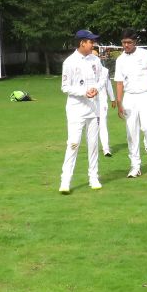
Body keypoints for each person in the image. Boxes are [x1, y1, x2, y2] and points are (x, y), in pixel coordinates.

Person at [59, 29, 103, 193]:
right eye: (90, 41)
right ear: (82, 43)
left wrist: (96, 89)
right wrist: (83, 92)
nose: (93, 44)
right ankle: (66, 181)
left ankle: (94, 177)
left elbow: (101, 79)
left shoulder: (95, 60)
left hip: (93, 108)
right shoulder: (69, 62)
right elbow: (65, 87)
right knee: (73, 143)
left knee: (93, 144)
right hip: (76, 108)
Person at [114, 30, 147, 178]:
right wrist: (119, 102)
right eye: (124, 43)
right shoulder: (120, 59)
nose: (126, 45)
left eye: (129, 42)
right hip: (130, 97)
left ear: (135, 42)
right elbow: (119, 82)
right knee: (131, 132)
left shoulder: (145, 54)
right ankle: (135, 166)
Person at [94, 46, 114, 157]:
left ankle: (106, 148)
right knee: (91, 126)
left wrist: (112, 98)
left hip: (102, 102)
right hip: (89, 102)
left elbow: (108, 85)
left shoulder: (104, 71)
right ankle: (93, 147)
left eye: (96, 56)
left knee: (103, 124)